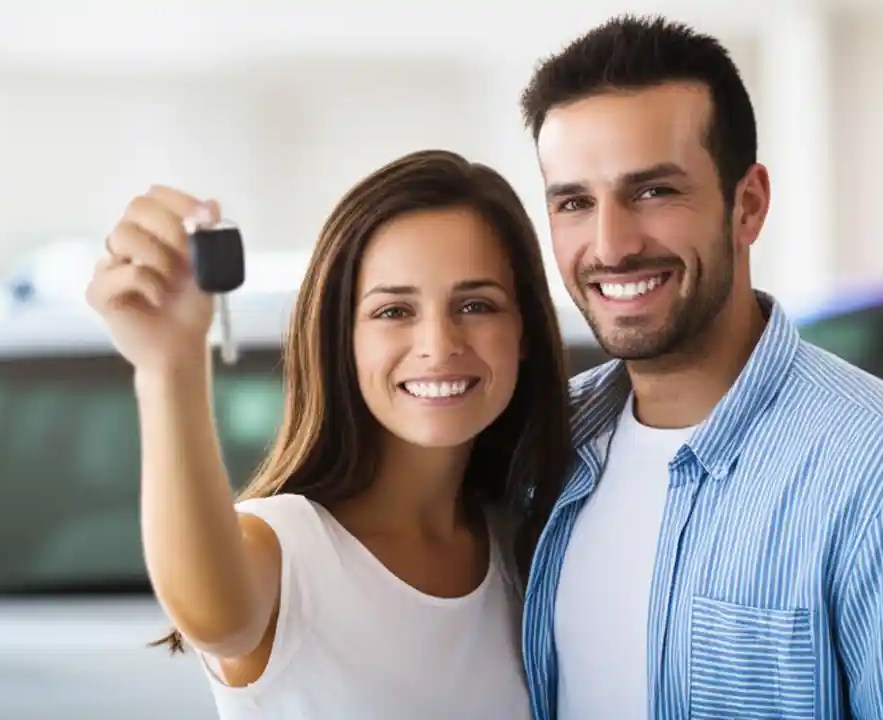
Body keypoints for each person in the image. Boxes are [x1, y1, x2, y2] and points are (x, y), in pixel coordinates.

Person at [516, 14, 883, 720]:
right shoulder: (541, 447)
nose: (611, 245)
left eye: (654, 192)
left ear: (747, 204)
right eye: (574, 202)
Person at [85, 150, 571, 718]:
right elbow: (212, 615)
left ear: (526, 333)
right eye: (394, 311)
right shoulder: (287, 549)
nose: (439, 345)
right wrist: (169, 364)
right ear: (342, 338)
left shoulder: (526, 550)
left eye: (476, 304)